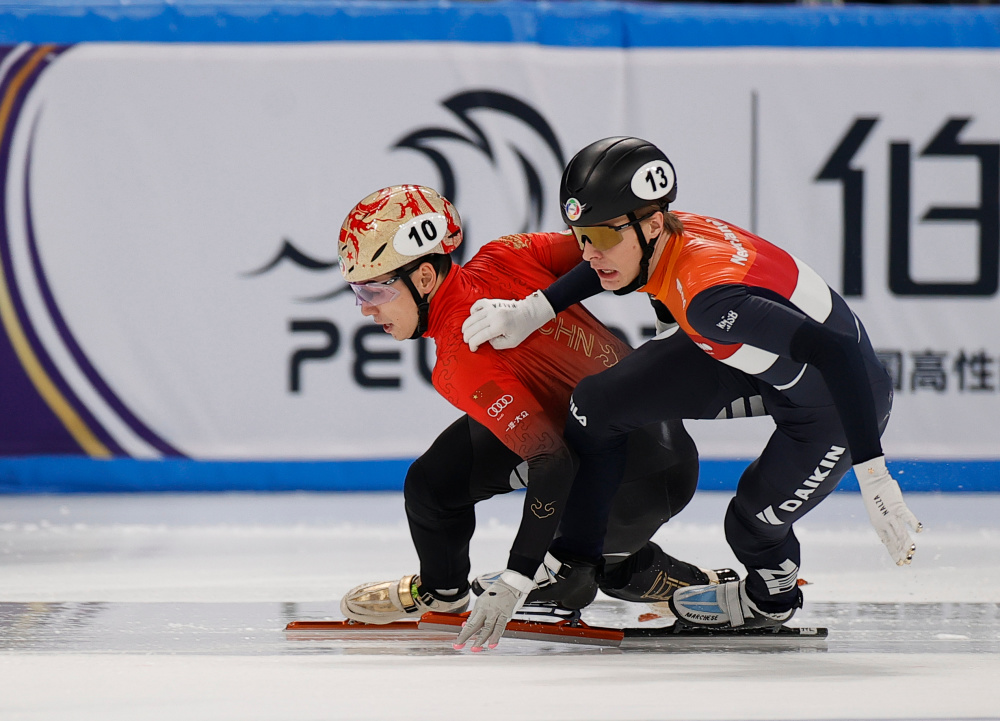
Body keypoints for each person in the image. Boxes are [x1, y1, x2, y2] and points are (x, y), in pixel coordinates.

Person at [462, 136, 922, 630]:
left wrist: (873, 475)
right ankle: (575, 563)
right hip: (753, 360)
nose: (590, 252)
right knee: (598, 402)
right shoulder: (664, 236)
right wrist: (532, 310)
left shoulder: (708, 297)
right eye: (581, 236)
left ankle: (771, 600)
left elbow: (836, 353)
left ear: (653, 222)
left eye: (601, 235)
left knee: (750, 524)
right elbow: (610, 265)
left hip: (834, 399)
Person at [336, 184, 734, 651]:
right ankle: (442, 593)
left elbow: (553, 462)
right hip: (641, 440)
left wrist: (517, 574)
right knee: (433, 484)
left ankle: (687, 585)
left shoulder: (458, 362)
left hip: (644, 477)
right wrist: (668, 312)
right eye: (355, 290)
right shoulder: (507, 252)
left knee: (595, 573)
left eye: (374, 288)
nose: (364, 307)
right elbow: (640, 241)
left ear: (424, 278)